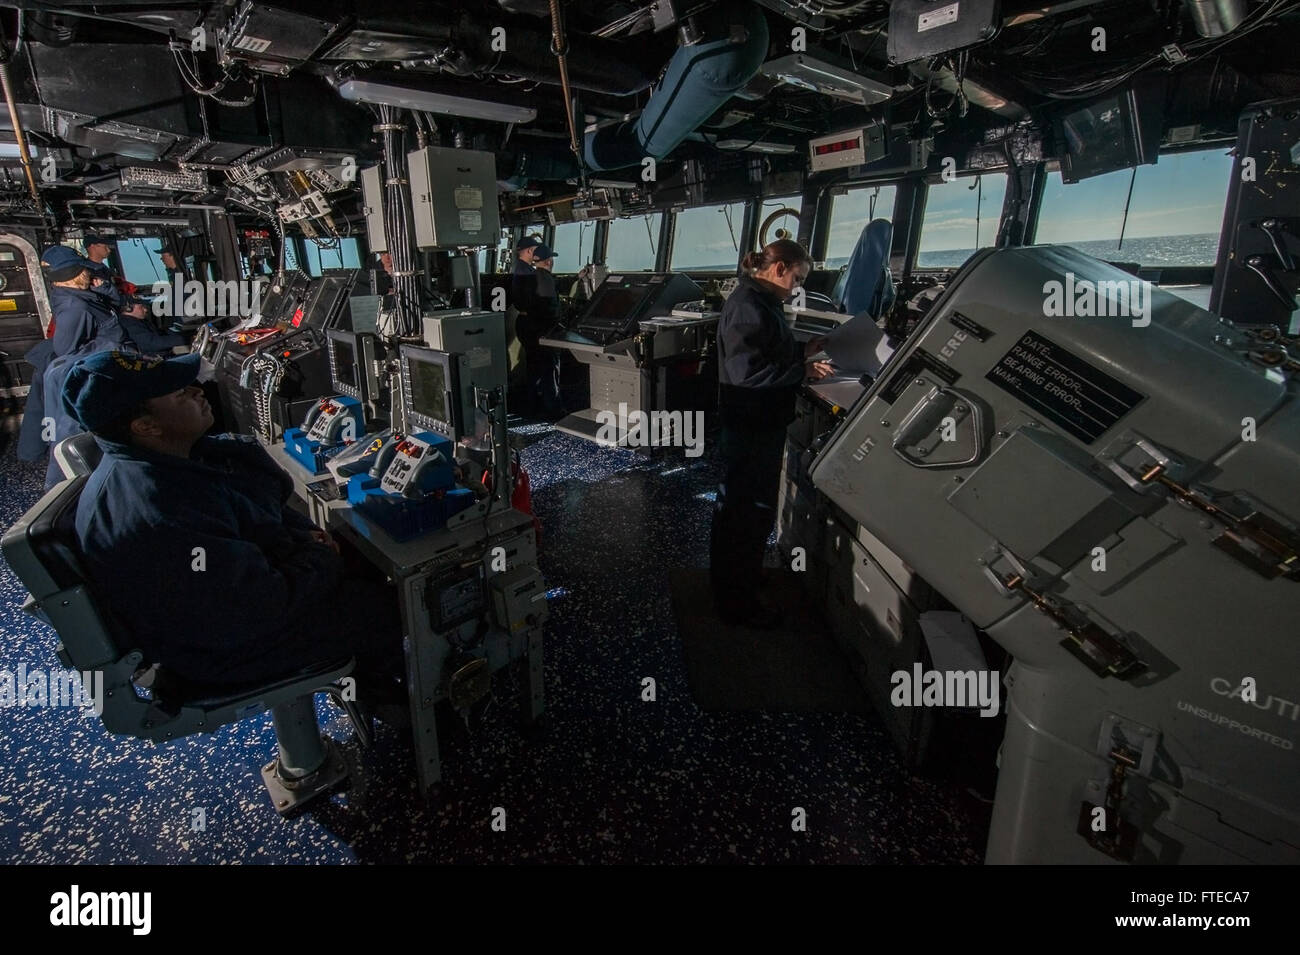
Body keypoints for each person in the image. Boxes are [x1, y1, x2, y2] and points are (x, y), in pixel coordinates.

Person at [61, 349, 403, 697]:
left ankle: (371, 680)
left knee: (358, 560)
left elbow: (249, 514)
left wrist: (306, 540)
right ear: (146, 426)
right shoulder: (160, 512)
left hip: (227, 610)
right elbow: (260, 606)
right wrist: (320, 557)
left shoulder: (161, 462)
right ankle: (399, 705)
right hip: (224, 651)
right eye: (181, 394)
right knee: (387, 605)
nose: (198, 392)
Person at [710, 239, 832, 629]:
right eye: (797, 278)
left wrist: (801, 351)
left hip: (754, 424)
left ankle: (739, 576)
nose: (796, 287)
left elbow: (764, 353)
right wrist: (804, 371)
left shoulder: (759, 300)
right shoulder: (749, 307)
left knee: (744, 508)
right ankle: (737, 602)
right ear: (779, 268)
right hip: (751, 426)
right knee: (746, 511)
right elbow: (749, 375)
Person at [21, 246, 134, 486]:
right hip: (102, 371)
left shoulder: (83, 295)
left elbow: (115, 303)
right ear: (74, 274)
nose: (87, 272)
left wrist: (103, 287)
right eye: (83, 269)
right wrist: (110, 345)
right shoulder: (75, 308)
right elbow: (67, 351)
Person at [512, 240, 563, 419]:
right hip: (541, 329)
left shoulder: (529, 274)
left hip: (526, 325)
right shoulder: (543, 278)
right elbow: (549, 308)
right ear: (549, 261)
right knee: (549, 368)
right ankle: (553, 409)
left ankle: (532, 405)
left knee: (534, 367)